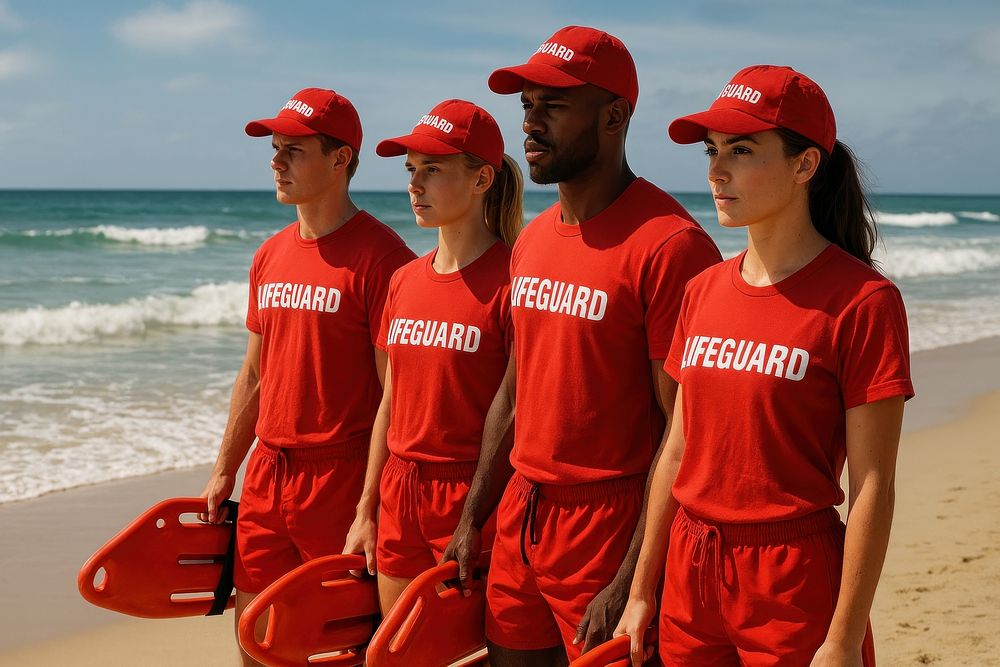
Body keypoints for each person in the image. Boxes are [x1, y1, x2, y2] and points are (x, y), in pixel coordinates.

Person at [614, 65, 914, 666]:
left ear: (805, 166)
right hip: (691, 564)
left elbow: (873, 486)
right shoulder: (701, 291)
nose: (716, 171)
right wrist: (643, 588)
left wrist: (844, 637)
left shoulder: (862, 302)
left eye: (743, 150)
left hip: (794, 575)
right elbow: (678, 449)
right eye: (713, 150)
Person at [441, 26, 722, 665]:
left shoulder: (670, 246)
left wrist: (632, 578)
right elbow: (512, 393)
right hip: (521, 514)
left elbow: (685, 430)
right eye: (527, 107)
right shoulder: (533, 241)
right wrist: (471, 518)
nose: (532, 124)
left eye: (555, 106)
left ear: (615, 116)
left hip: (612, 521)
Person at [200, 87, 415, 666]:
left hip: (339, 479)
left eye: (293, 149)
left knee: (335, 649)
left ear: (341, 159)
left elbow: (398, 397)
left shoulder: (383, 258)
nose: (276, 161)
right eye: (275, 149)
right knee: (258, 641)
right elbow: (254, 374)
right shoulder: (268, 255)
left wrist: (372, 504)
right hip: (268, 475)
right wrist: (226, 470)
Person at [341, 98, 523, 614]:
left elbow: (520, 412)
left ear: (482, 179)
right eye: (411, 171)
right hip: (400, 488)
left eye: (433, 170)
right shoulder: (402, 281)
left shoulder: (514, 282)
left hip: (472, 493)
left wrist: (478, 512)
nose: (414, 185)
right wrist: (367, 507)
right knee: (396, 649)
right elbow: (390, 403)